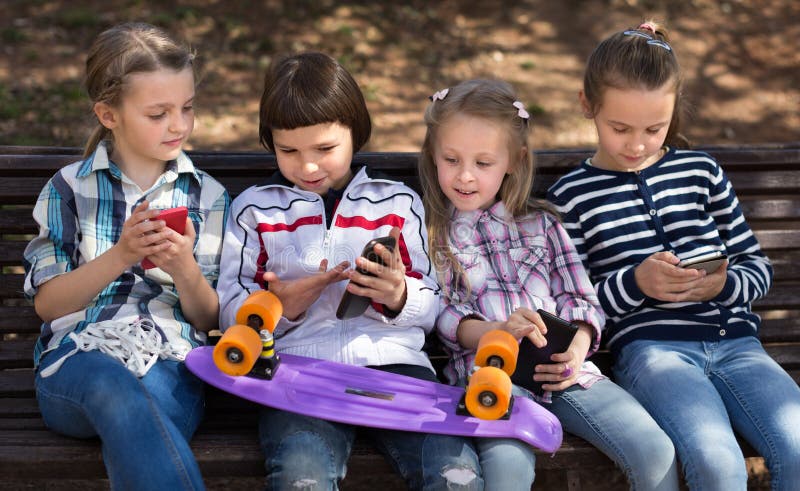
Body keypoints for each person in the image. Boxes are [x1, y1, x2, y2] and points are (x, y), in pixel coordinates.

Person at [547, 21, 800, 490]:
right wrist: (636, 283)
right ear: (587, 106)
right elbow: (573, 303)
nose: (637, 144)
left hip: (738, 346)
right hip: (653, 354)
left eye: (654, 128)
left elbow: (756, 266)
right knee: (717, 463)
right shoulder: (570, 196)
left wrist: (724, 284)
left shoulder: (700, 172)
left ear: (673, 113)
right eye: (619, 128)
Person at [216, 51, 483, 490]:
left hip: (397, 368)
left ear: (355, 134)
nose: (307, 166)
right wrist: (279, 308)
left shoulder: (397, 203)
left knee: (457, 475)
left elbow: (432, 305)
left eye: (325, 149)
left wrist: (398, 293)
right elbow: (230, 311)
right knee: (302, 477)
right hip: (296, 373)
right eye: (288, 150)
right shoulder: (255, 210)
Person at [419, 78, 679, 490]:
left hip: (565, 371)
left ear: (514, 161)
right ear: (433, 155)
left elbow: (582, 300)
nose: (464, 176)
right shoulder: (433, 232)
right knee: (508, 468)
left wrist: (576, 349)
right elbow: (445, 313)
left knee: (655, 451)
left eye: (483, 163)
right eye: (451, 159)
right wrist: (495, 333)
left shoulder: (542, 224)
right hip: (491, 377)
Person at [23, 22, 230, 490]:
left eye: (187, 108)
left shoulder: (208, 197)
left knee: (142, 402)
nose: (178, 125)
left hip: (173, 362)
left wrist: (184, 269)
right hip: (78, 362)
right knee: (113, 386)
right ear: (108, 114)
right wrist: (120, 255)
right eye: (158, 113)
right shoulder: (68, 189)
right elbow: (49, 305)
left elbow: (211, 317)